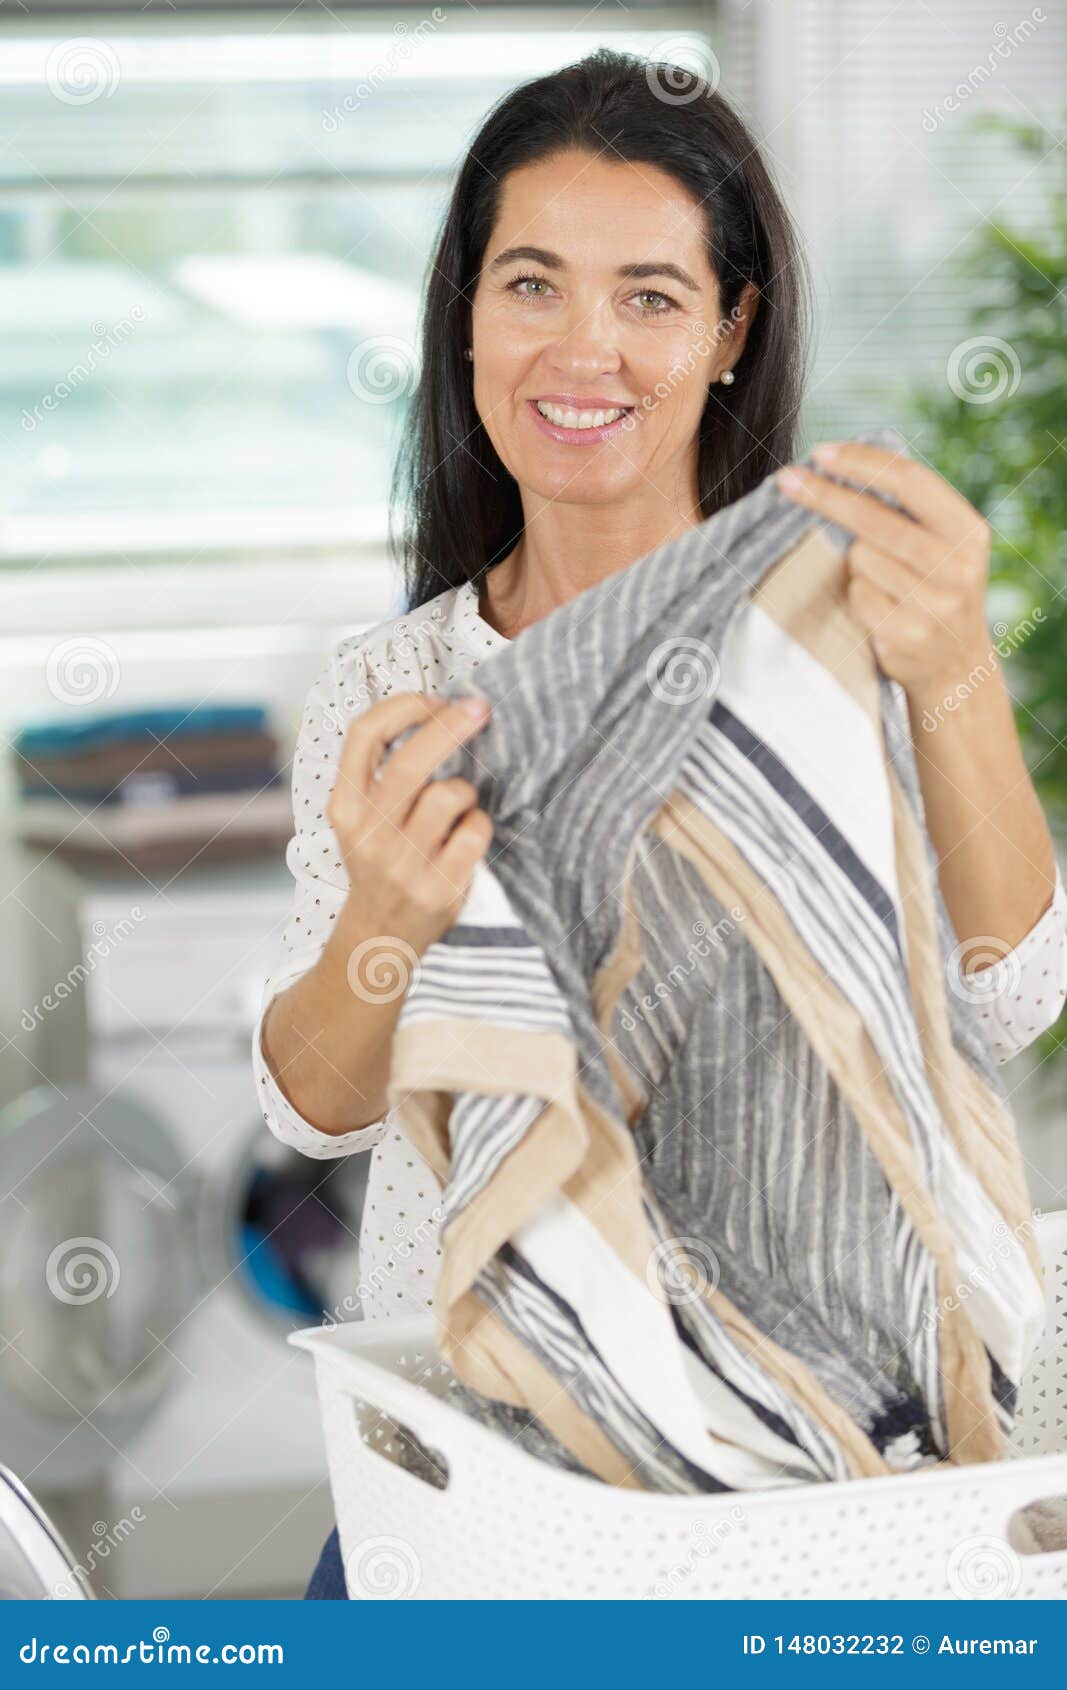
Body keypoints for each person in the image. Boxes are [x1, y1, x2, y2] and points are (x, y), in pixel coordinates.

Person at [253, 49, 1067, 1598]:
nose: (584, 350)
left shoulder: (854, 630)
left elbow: (1014, 992)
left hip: (815, 1477)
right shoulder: (398, 686)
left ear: (727, 329)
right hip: (485, 1452)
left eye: (648, 295)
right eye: (533, 284)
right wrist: (382, 922)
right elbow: (314, 1108)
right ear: (470, 320)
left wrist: (955, 665)